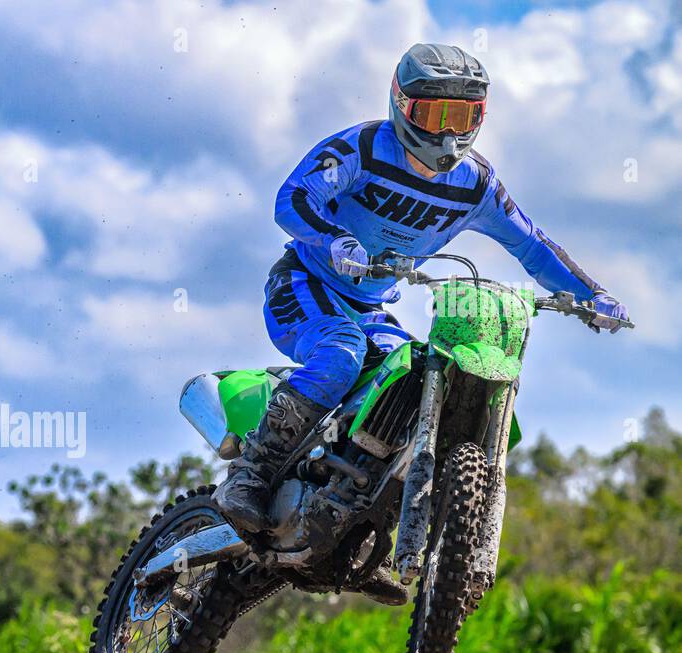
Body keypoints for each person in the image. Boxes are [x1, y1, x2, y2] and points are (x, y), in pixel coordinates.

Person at [213, 43, 631, 603]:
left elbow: (531, 244)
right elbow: (292, 198)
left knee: (412, 379)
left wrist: (592, 294)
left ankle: (367, 535)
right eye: (435, 116)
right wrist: (332, 239)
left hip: (371, 309)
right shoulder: (362, 147)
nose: (447, 135)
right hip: (306, 287)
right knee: (340, 353)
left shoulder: (476, 184)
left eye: (463, 119)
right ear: (400, 105)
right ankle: (252, 474)